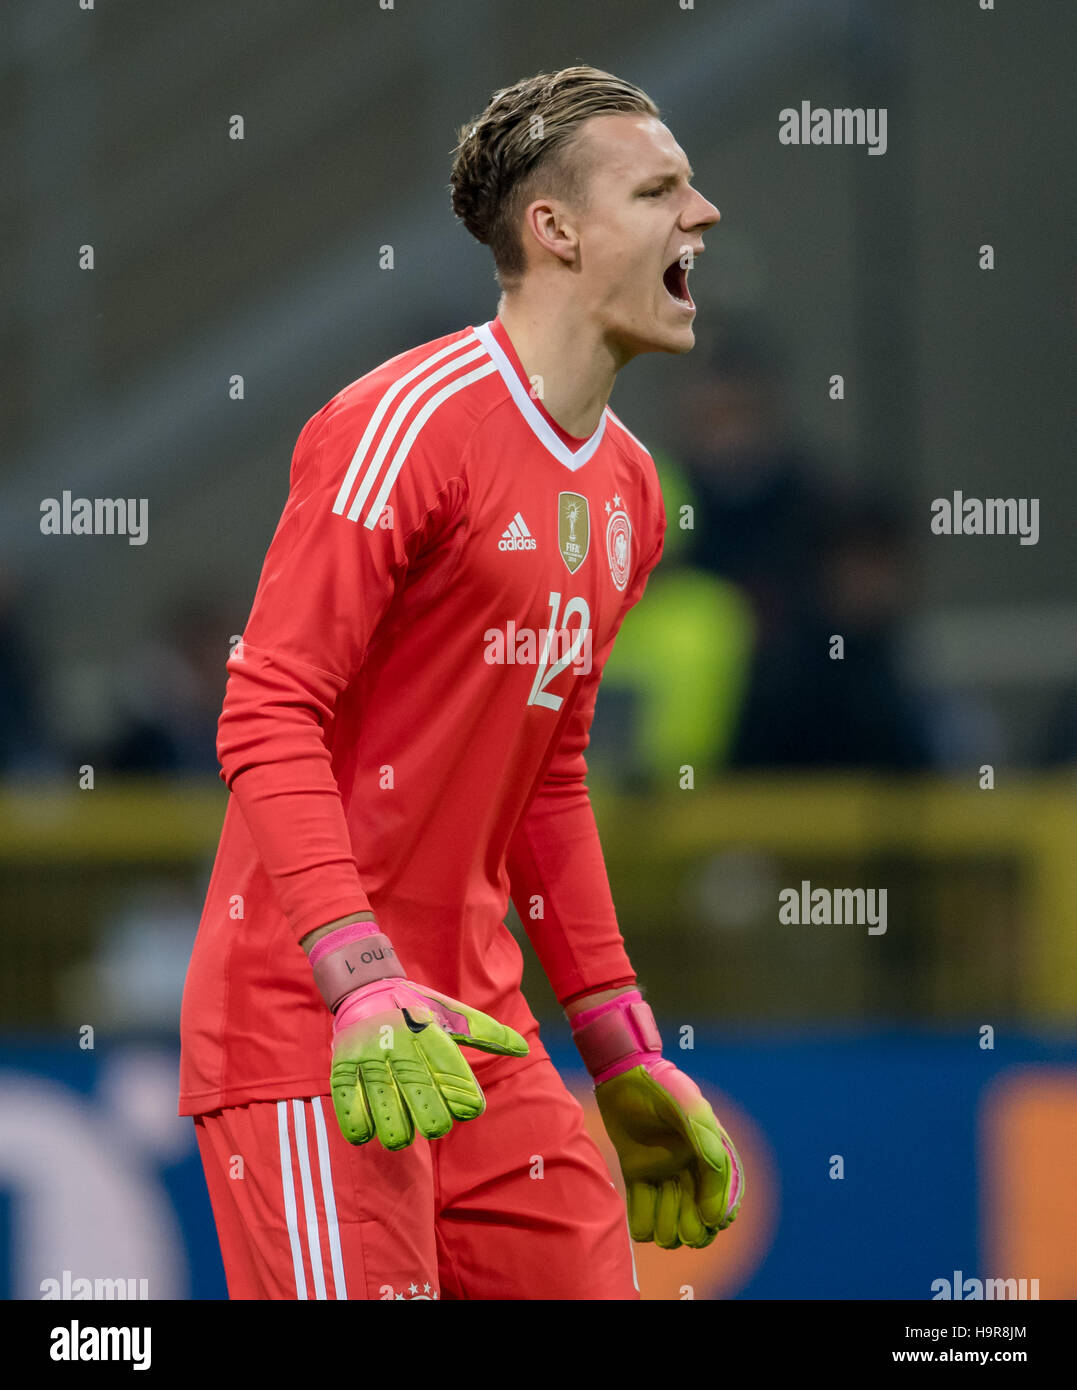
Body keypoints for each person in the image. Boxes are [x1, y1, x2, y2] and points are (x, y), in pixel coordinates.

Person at [179, 64, 743, 1302]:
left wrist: (617, 1038)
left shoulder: (633, 491)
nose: (703, 214)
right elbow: (268, 707)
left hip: (481, 1032)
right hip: (316, 1025)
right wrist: (355, 975)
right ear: (556, 230)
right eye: (660, 189)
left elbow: (547, 778)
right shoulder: (408, 423)